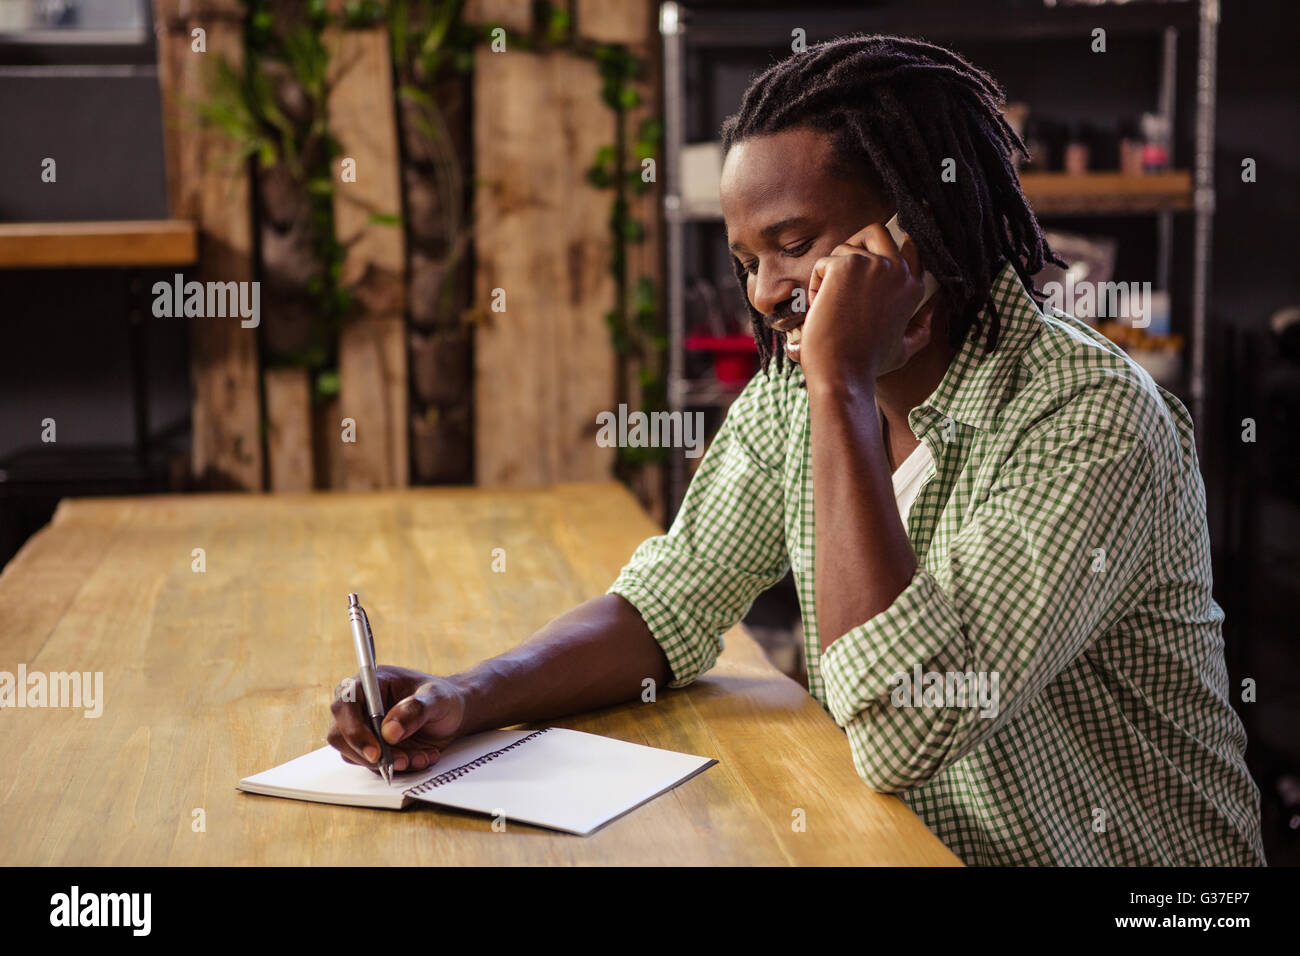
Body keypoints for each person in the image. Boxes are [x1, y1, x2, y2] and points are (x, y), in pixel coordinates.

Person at [328, 34, 1265, 866]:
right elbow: (671, 603)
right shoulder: (798, 390)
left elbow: (906, 718)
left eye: (794, 243)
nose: (769, 292)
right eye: (746, 260)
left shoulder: (1088, 418)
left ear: (912, 230)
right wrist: (468, 696)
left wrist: (842, 384)